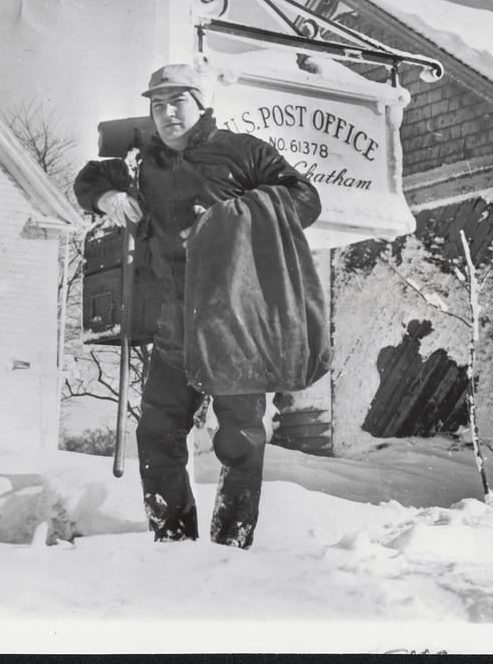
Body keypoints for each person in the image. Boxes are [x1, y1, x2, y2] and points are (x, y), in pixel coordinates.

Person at [74, 64, 321, 549]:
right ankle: (173, 544)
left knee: (239, 439)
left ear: (202, 104)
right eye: (158, 105)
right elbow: (91, 176)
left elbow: (304, 198)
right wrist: (107, 196)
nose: (167, 114)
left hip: (234, 323)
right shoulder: (142, 159)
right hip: (173, 325)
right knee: (156, 436)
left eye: (178, 102)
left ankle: (232, 548)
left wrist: (231, 219)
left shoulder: (242, 151)